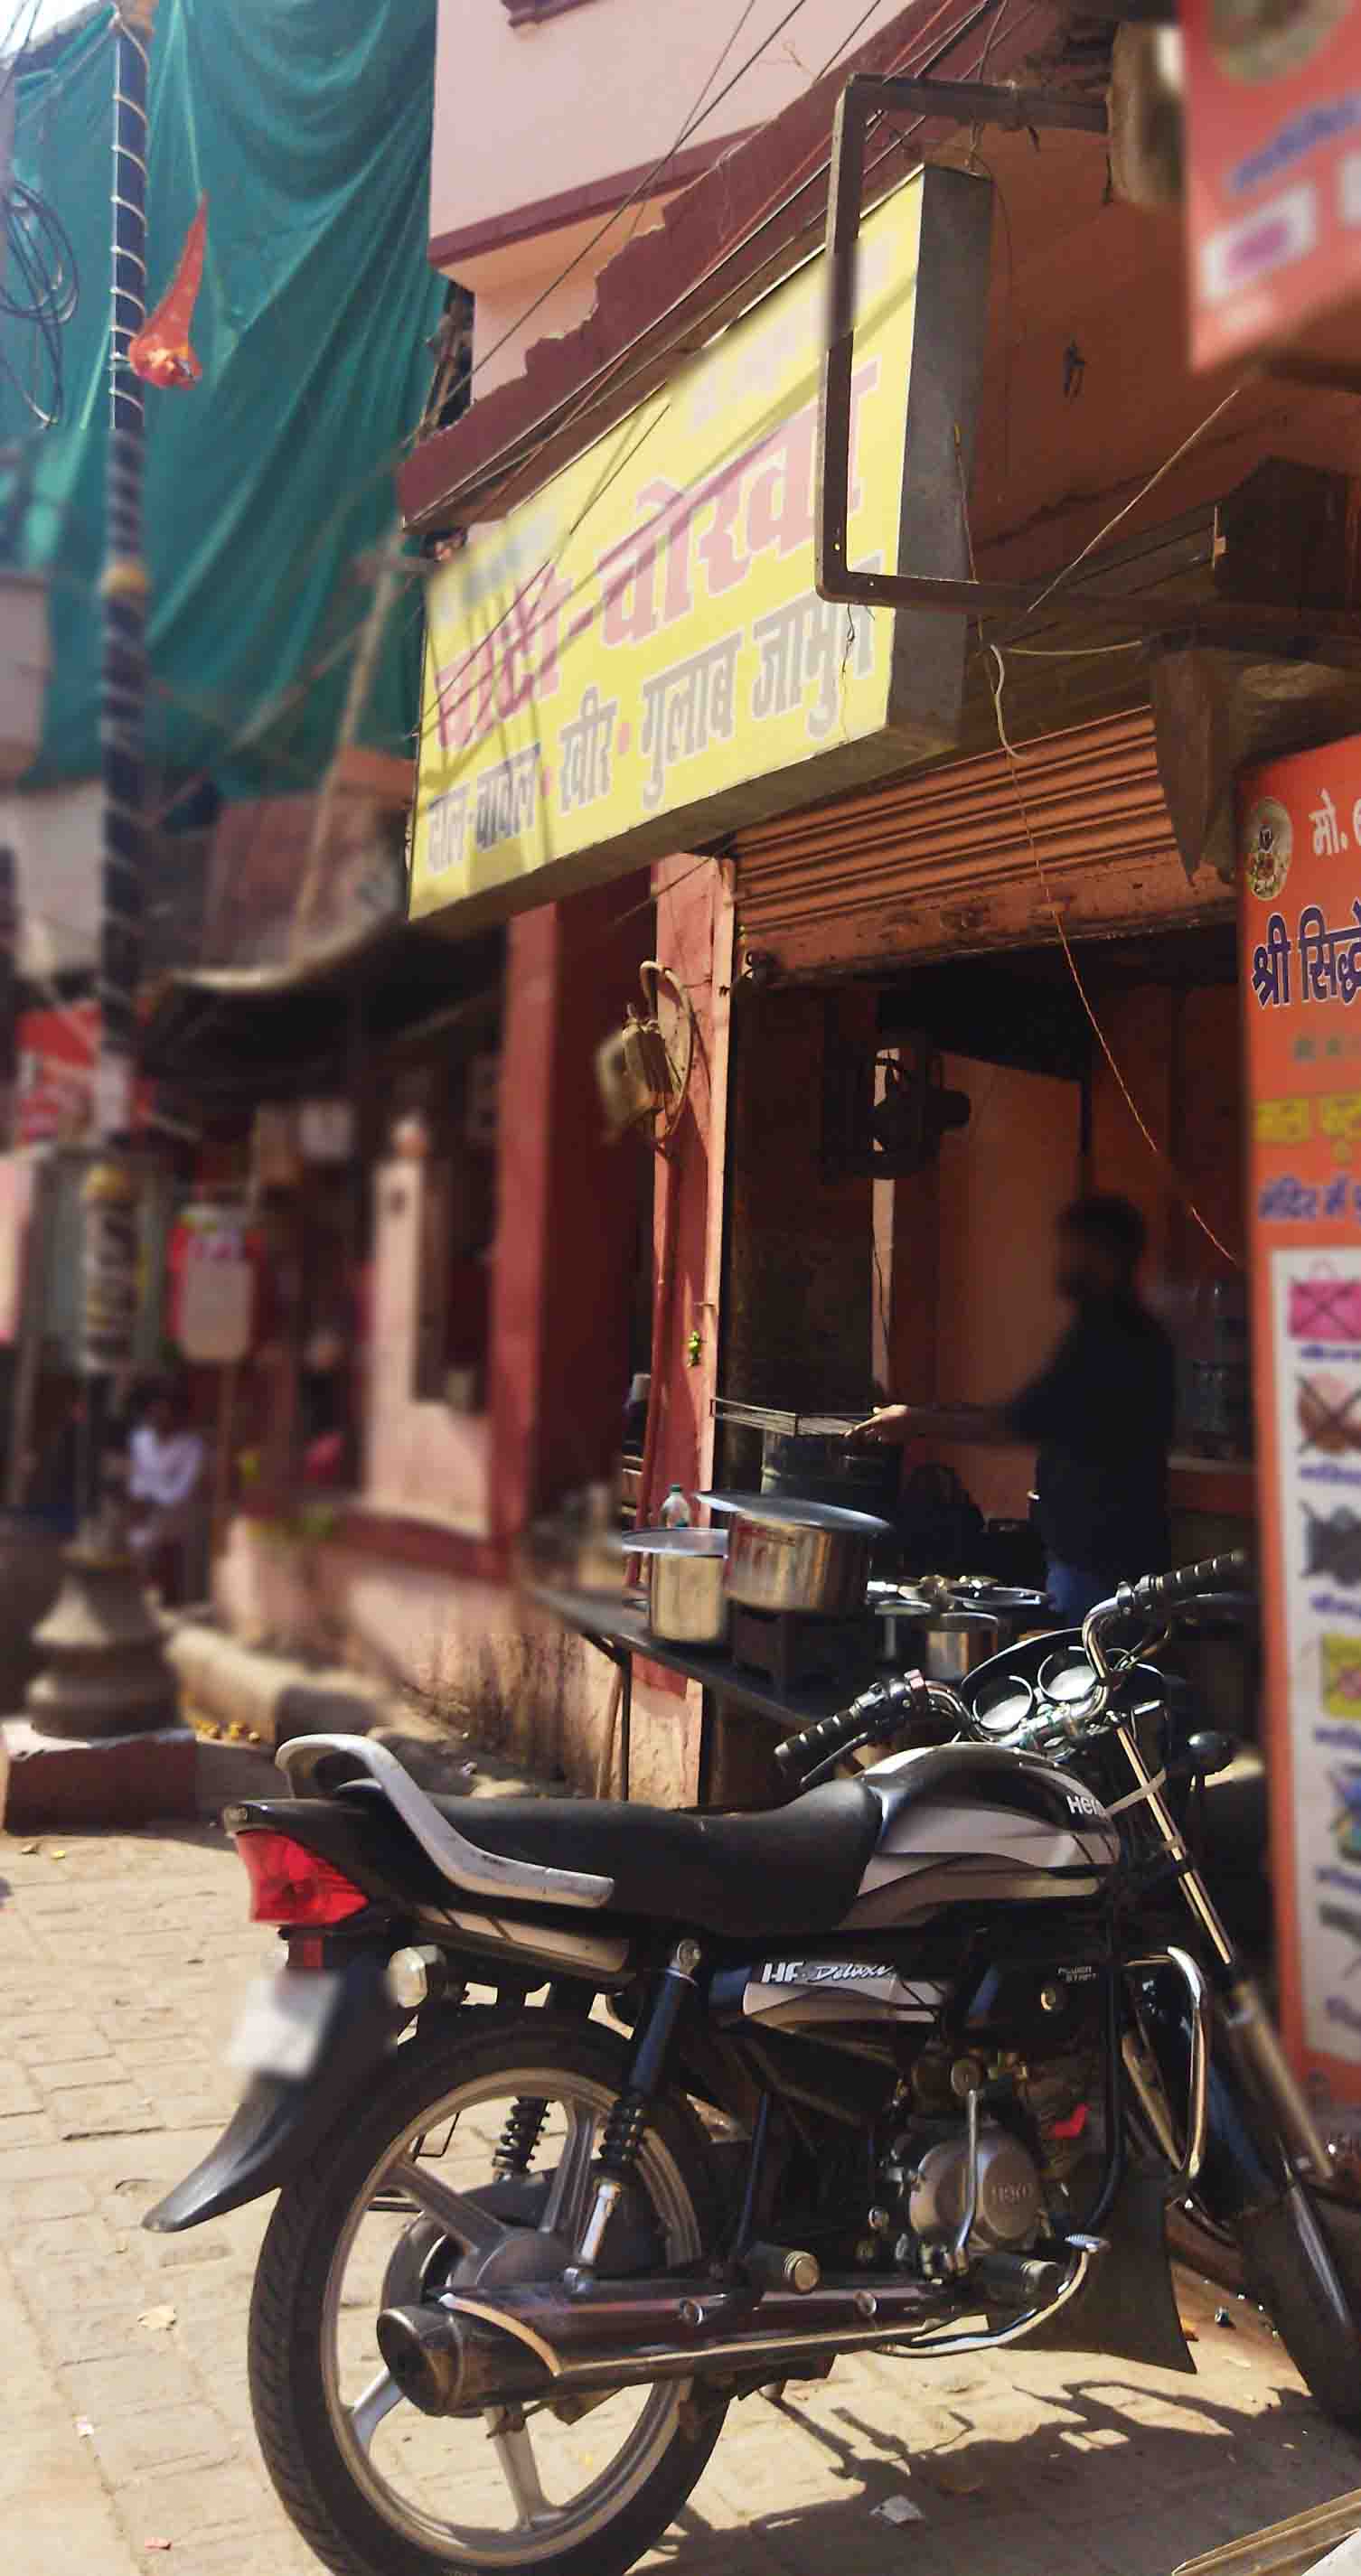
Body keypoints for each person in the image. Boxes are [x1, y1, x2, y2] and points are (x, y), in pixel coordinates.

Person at [850, 1194, 1176, 1622]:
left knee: (1090, 1658)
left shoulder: (1114, 1339)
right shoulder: (1113, 1332)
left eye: (1073, 1249)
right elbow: (1039, 1411)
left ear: (1107, 1254)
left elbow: (1022, 1421)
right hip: (1094, 1557)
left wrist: (916, 1421)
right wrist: (937, 1413)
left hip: (1101, 1565)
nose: (1062, 1262)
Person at [127, 1381, 206, 1605]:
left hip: (176, 1513)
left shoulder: (191, 1446)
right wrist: (139, 1499)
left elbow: (183, 1488)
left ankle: (170, 1599)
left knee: (167, 1547)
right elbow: (137, 1477)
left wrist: (154, 1501)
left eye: (166, 1411)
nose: (159, 1416)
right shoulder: (140, 1440)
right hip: (143, 1511)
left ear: (177, 1415)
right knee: (135, 1543)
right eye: (155, 1410)